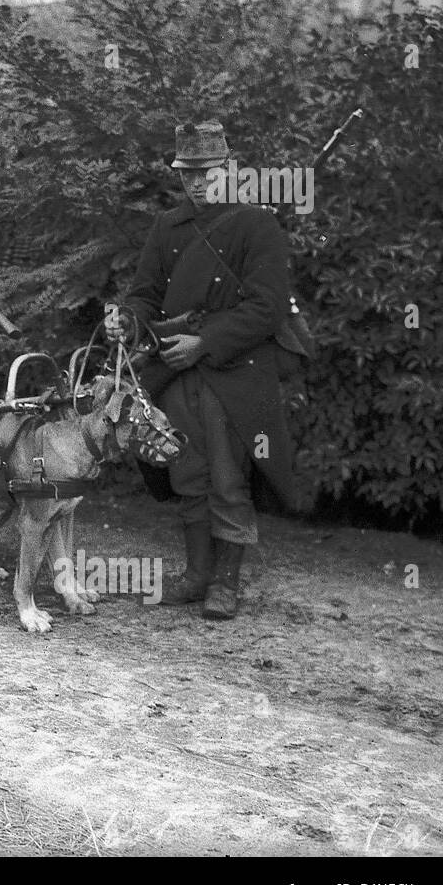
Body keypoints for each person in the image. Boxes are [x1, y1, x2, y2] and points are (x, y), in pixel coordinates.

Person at [105, 121, 298, 620]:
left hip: (233, 370)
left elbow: (267, 307)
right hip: (174, 369)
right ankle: (195, 576)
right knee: (186, 470)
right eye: (188, 172)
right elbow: (146, 293)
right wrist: (128, 320)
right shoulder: (167, 225)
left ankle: (226, 584)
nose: (197, 181)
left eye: (207, 170)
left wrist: (205, 342)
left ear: (229, 168)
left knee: (228, 476)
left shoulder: (257, 224)